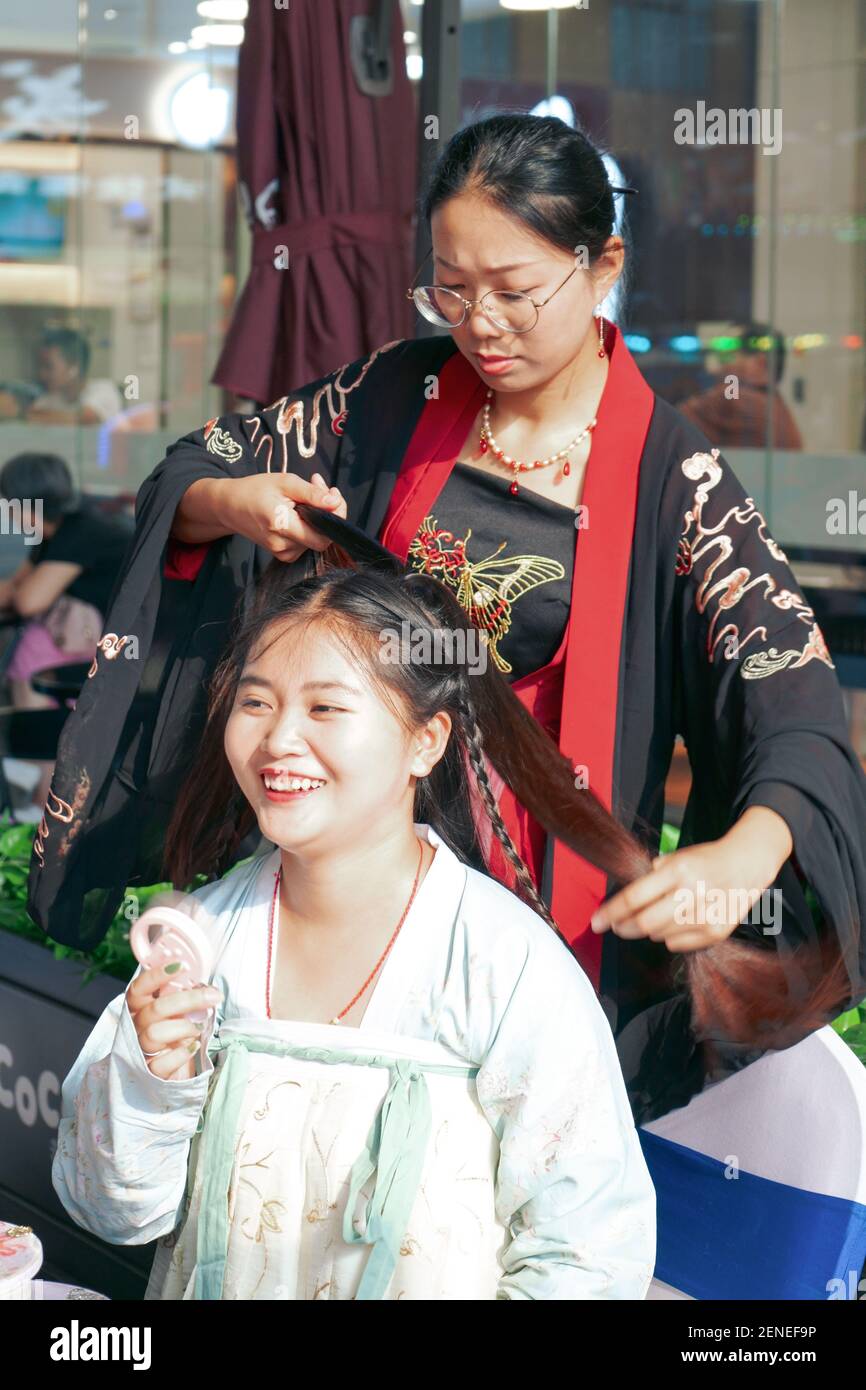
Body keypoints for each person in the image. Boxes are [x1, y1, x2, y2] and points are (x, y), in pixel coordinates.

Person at [29, 114, 866, 1126]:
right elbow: (194, 467)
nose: (481, 325)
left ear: (601, 265)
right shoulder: (394, 392)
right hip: (350, 874)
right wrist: (234, 504)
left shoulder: (672, 479)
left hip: (539, 919)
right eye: (451, 288)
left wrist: (741, 857)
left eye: (514, 292)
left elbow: (790, 695)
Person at [52, 557, 658, 1301]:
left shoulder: (504, 963)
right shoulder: (203, 944)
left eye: (327, 709)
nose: (279, 740)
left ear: (424, 742)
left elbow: (590, 1251)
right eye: (256, 703)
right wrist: (151, 1077)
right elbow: (114, 1211)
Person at [0, 452, 131, 808]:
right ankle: (36, 793)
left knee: (29, 659)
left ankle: (41, 804)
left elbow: (27, 600)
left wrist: (17, 592)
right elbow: (16, 587)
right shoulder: (56, 533)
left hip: (111, 650)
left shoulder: (81, 532)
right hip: (85, 644)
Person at [678, 323, 803, 449]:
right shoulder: (776, 407)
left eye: (728, 356)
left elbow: (666, 425)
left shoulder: (734, 399)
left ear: (760, 362)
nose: (717, 370)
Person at [26, 328, 122, 426]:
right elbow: (30, 416)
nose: (42, 374)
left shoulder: (104, 390)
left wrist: (36, 416)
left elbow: (86, 418)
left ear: (73, 368)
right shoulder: (49, 399)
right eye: (41, 366)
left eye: (49, 367)